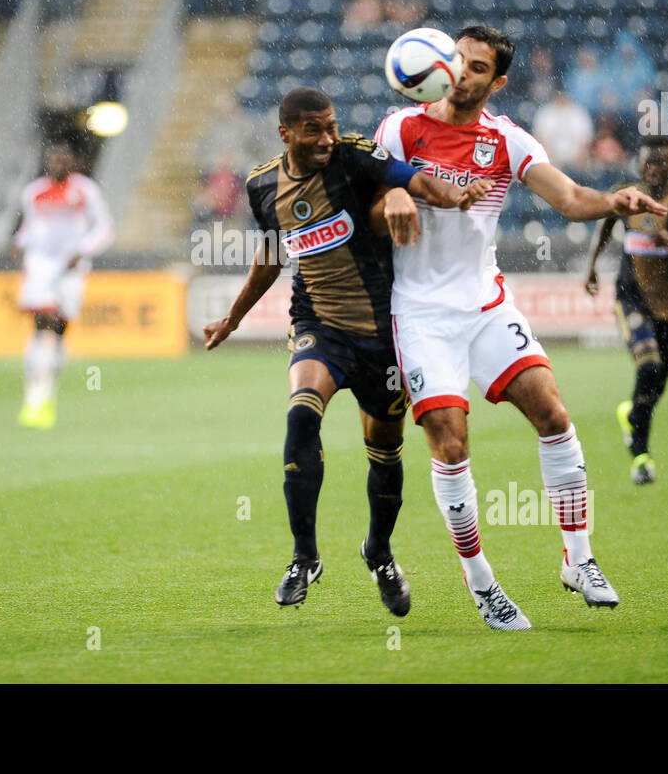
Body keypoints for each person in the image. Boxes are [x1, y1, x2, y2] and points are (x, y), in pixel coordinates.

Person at [372, 26, 666, 629]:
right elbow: (363, 201)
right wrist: (391, 198)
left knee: (554, 415)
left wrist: (616, 201)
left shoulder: (505, 139)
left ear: (497, 81)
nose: (461, 71)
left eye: (477, 67)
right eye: (457, 58)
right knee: (451, 444)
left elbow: (571, 195)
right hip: (421, 314)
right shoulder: (400, 129)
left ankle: (578, 559)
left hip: (485, 305)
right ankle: (481, 582)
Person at [203, 87, 491, 615]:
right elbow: (270, 258)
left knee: (385, 452)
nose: (326, 139)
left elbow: (415, 180)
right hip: (319, 325)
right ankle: (304, 556)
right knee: (301, 415)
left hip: (382, 333)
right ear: (285, 132)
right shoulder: (261, 185)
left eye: (331, 126)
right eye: (313, 130)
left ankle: (378, 551)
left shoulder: (355, 155)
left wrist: (454, 194)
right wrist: (234, 317)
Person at [583, 136, 668, 485]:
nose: (654, 169)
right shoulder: (625, 195)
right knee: (649, 366)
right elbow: (605, 224)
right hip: (631, 298)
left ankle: (633, 414)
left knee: (657, 381)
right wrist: (592, 266)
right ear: (639, 164)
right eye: (648, 163)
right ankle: (640, 457)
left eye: (662, 163)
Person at [12, 145, 113, 430]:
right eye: (52, 159)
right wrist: (19, 243)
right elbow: (31, 228)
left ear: (73, 162)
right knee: (42, 323)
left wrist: (83, 250)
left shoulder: (86, 190)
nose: (57, 163)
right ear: (46, 163)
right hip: (41, 266)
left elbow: (104, 227)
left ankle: (46, 395)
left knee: (58, 331)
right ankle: (34, 396)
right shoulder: (33, 192)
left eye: (63, 159)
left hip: (70, 270)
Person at [531, 91, 593, 168]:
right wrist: (548, 159)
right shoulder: (544, 113)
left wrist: (578, 159)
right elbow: (540, 139)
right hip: (551, 160)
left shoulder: (580, 113)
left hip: (576, 162)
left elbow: (585, 142)